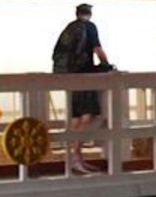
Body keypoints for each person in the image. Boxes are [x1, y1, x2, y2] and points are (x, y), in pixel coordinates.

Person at [53, 4, 111, 174]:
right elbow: (97, 49)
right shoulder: (89, 27)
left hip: (70, 77)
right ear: (89, 14)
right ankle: (75, 157)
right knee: (88, 116)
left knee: (77, 118)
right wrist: (107, 64)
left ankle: (76, 159)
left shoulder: (70, 28)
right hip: (84, 76)